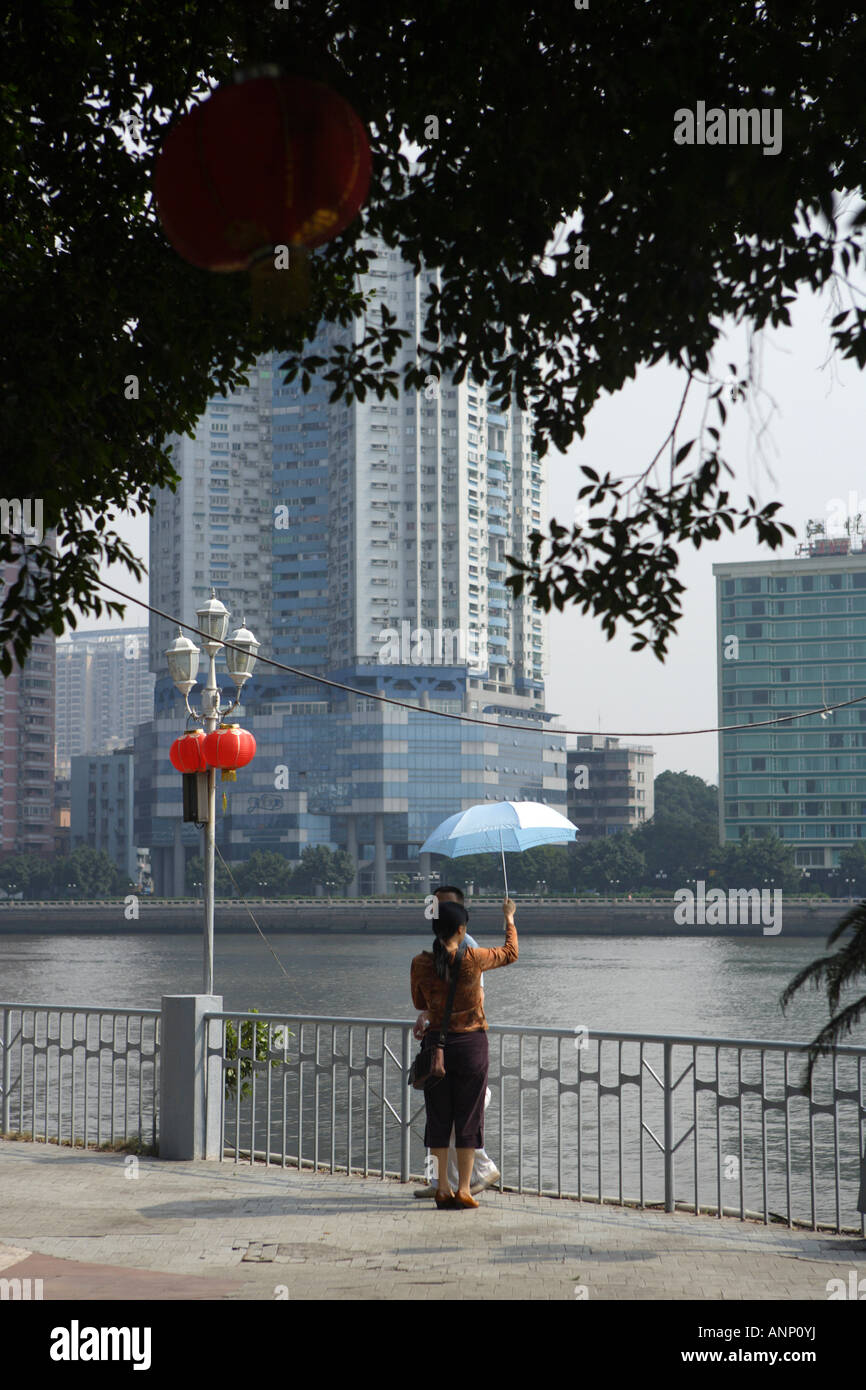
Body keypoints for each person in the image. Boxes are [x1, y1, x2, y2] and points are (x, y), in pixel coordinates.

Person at [410, 896, 518, 1208]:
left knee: (438, 1118)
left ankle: (441, 1187)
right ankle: (464, 1190)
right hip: (471, 1045)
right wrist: (508, 917)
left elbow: (420, 1003)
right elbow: (511, 953)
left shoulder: (420, 962)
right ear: (460, 929)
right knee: (468, 1118)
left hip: (436, 1048)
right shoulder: (474, 958)